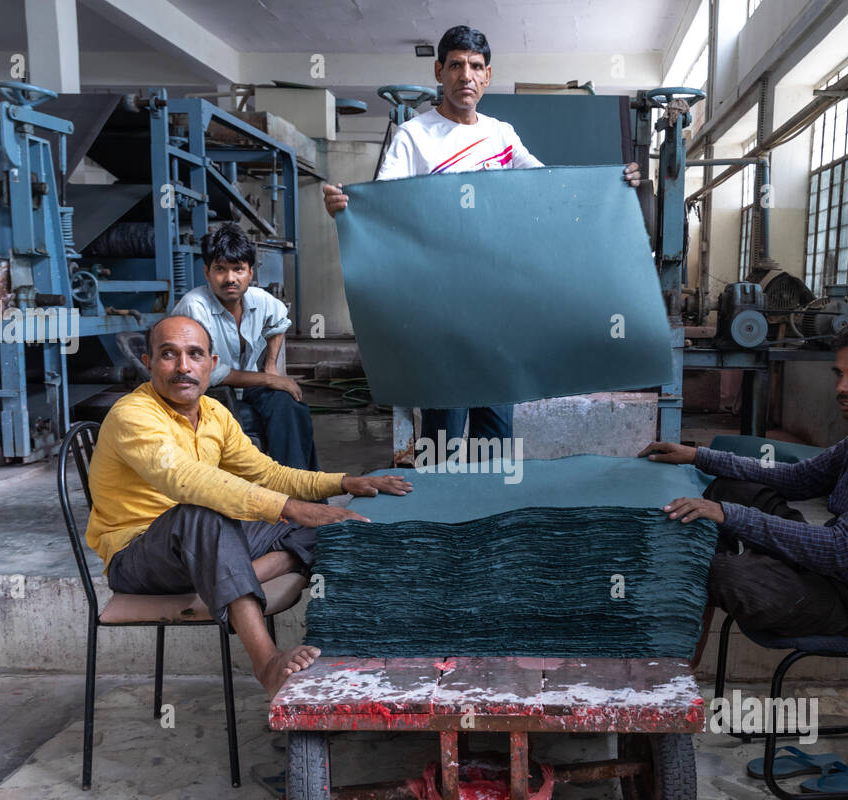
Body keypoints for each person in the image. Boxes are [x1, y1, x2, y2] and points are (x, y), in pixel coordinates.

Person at [322, 24, 641, 460]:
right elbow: (382, 206)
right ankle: (443, 522)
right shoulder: (414, 137)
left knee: (495, 430)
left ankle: (493, 521)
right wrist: (345, 205)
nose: (465, 76)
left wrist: (611, 183)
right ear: (439, 71)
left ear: (487, 75)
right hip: (441, 308)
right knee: (443, 432)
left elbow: (550, 186)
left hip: (498, 306)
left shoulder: (501, 135)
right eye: (455, 65)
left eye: (475, 67)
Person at [86, 315, 411, 696]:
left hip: (207, 550)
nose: (184, 367)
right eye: (168, 355)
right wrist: (291, 507)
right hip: (139, 556)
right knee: (204, 512)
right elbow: (184, 480)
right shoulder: (133, 414)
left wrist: (344, 482)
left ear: (212, 362)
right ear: (148, 362)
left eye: (195, 354)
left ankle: (231, 575)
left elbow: (268, 474)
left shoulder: (215, 414)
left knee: (329, 527)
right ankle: (268, 663)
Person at [640, 322, 848, 639]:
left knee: (722, 570)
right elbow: (799, 479)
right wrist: (699, 456)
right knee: (728, 488)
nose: (842, 387)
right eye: (839, 373)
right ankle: (750, 564)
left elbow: (840, 547)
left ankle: (725, 586)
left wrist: (729, 516)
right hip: (836, 570)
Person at [172, 223, 319, 470]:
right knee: (272, 401)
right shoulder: (194, 307)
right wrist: (269, 380)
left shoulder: (258, 299)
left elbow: (280, 321)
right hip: (205, 393)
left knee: (293, 409)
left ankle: (302, 493)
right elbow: (210, 373)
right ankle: (286, 493)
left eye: (238, 269)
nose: (230, 278)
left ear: (250, 273)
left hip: (248, 388)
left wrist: (271, 366)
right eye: (220, 269)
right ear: (207, 273)